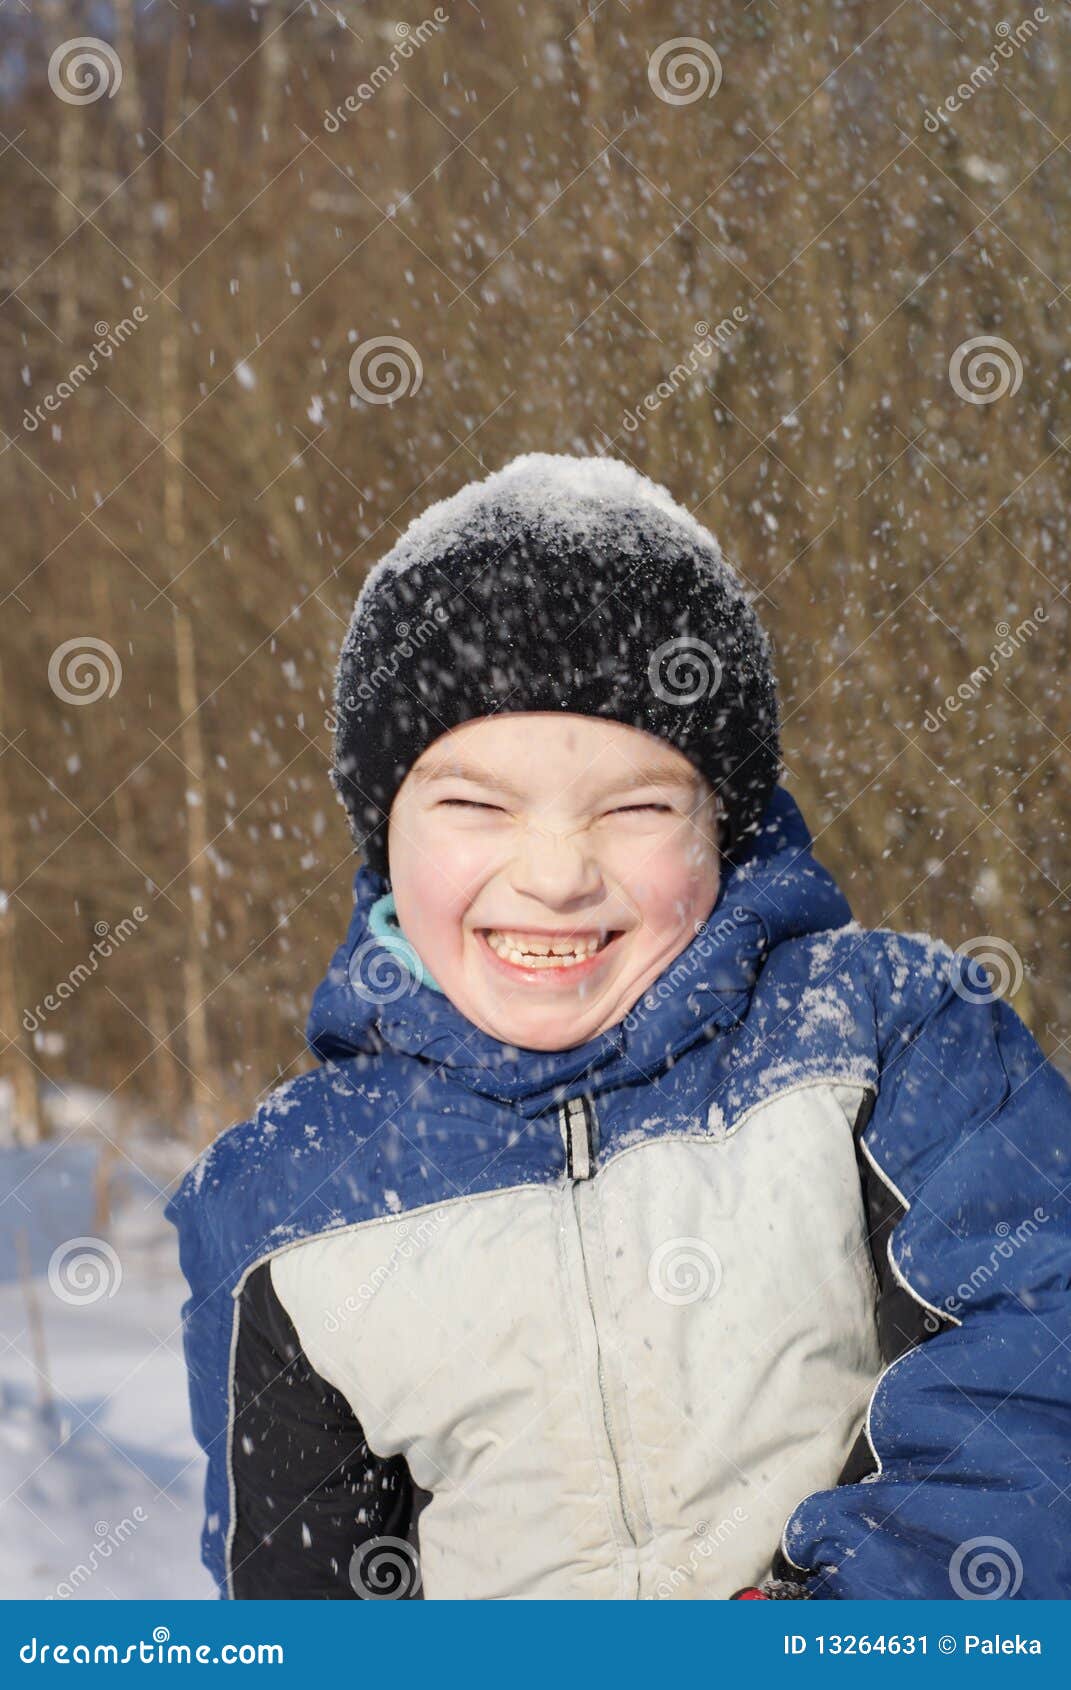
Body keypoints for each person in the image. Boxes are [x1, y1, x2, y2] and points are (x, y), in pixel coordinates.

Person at [167, 453, 1071, 1601]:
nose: (554, 876)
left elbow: (1037, 1357)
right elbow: (304, 1608)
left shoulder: (890, 1042)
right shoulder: (282, 1201)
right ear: (382, 830)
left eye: (637, 806)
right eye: (475, 803)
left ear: (723, 826)